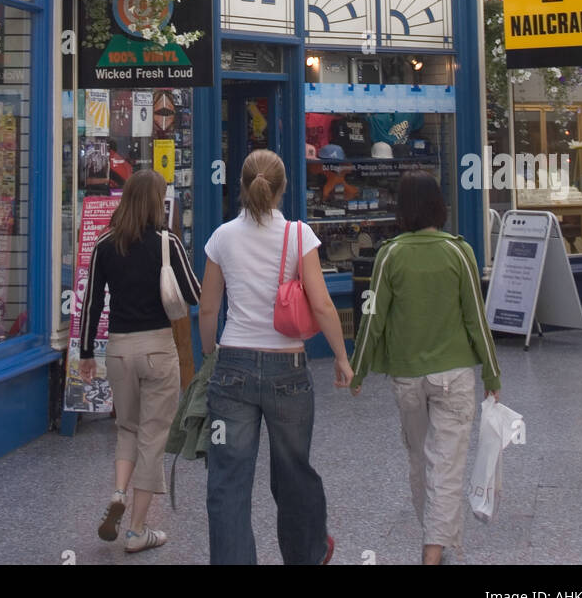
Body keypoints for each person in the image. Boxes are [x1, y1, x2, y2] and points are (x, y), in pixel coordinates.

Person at [199, 149, 353, 566]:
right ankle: (307, 553)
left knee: (228, 478)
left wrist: (210, 351)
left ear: (243, 185)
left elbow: (209, 307)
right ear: (283, 188)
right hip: (288, 367)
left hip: (233, 366)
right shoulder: (299, 236)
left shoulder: (221, 237)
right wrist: (341, 356)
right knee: (292, 469)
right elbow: (321, 304)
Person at [350, 171, 501, 565]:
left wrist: (357, 368)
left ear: (403, 210)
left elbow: (372, 316)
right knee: (446, 465)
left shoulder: (390, 254)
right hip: (454, 377)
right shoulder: (459, 252)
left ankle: (437, 545)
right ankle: (434, 551)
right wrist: (492, 373)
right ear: (439, 205)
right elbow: (476, 319)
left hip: (408, 377)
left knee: (421, 462)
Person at [79, 170, 200, 553]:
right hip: (157, 348)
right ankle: (136, 530)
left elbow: (91, 304)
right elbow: (194, 294)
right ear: (157, 202)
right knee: (153, 436)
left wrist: (85, 353)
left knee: (127, 429)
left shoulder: (104, 244)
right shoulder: (168, 242)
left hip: (118, 350)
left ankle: (118, 492)